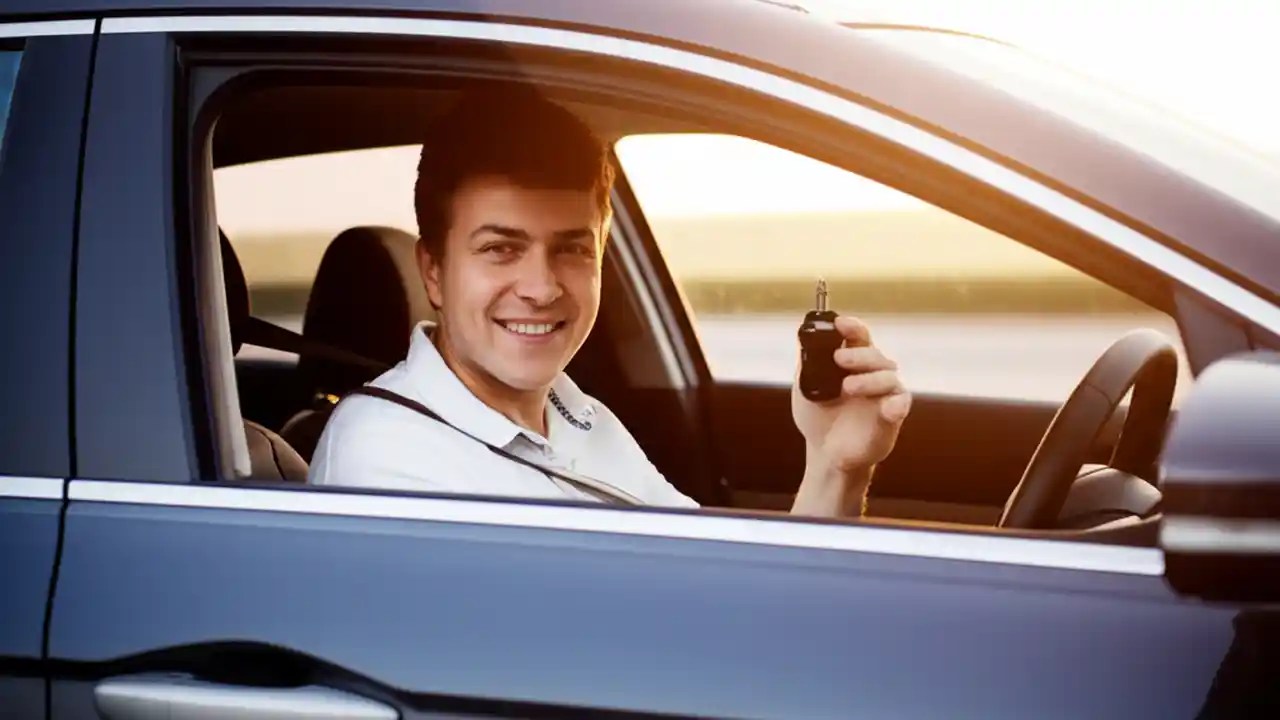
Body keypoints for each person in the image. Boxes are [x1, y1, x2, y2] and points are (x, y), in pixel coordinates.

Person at [308, 90, 911, 517]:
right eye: (500, 249)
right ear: (433, 273)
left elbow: (723, 599)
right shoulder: (387, 457)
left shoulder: (581, 416)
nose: (542, 288)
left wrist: (835, 465)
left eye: (572, 249)